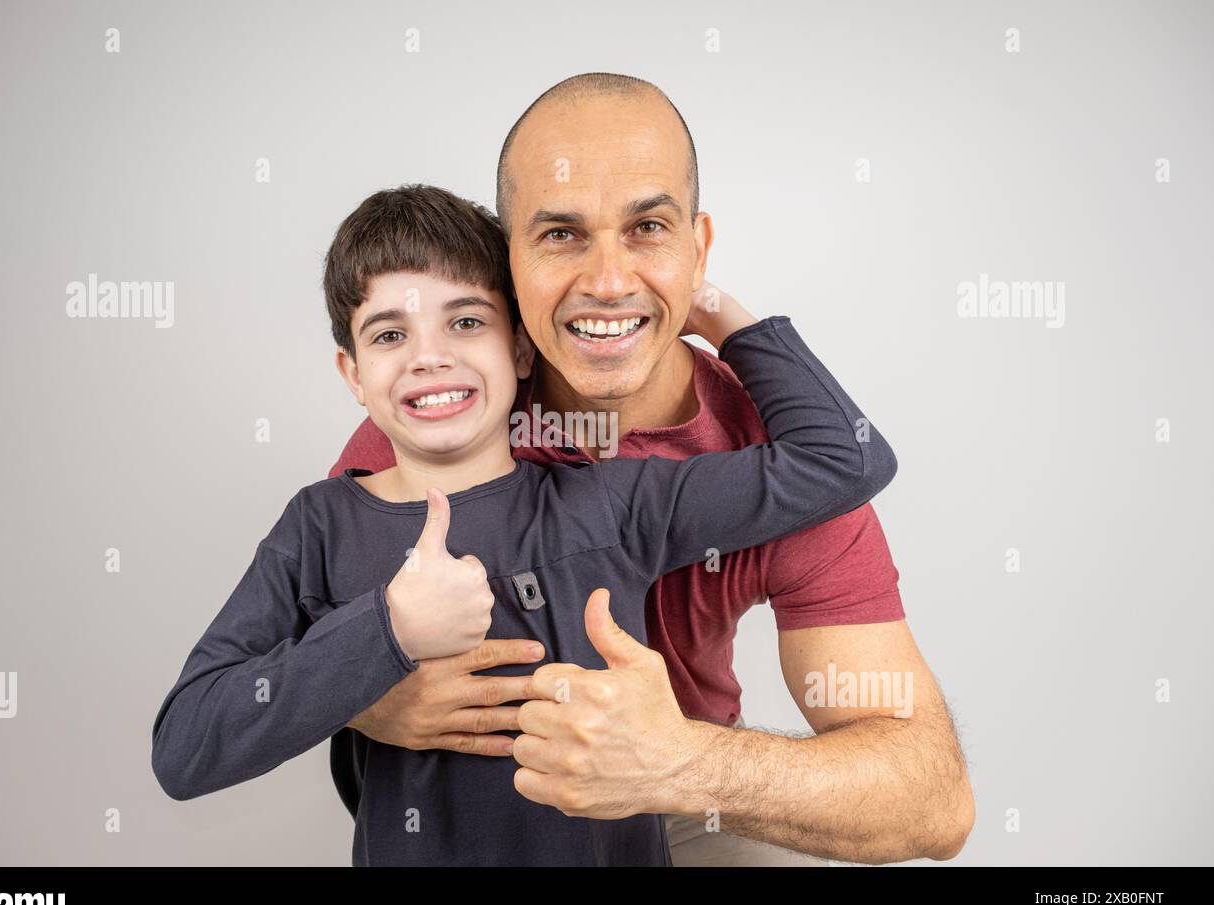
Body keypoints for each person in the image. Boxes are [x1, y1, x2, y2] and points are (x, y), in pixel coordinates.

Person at [332, 73, 975, 866]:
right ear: (507, 261)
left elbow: (932, 798)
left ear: (697, 248)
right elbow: (276, 654)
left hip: (680, 797)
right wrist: (364, 695)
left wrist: (677, 762)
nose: (607, 281)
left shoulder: (784, 454)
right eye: (561, 234)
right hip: (469, 812)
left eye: (647, 228)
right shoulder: (437, 417)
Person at [151, 183, 897, 865]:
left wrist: (712, 312)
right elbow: (185, 748)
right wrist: (387, 633)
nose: (429, 358)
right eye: (388, 336)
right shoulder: (320, 526)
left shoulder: (609, 502)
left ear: (517, 347)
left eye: (465, 321)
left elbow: (845, 460)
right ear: (352, 374)